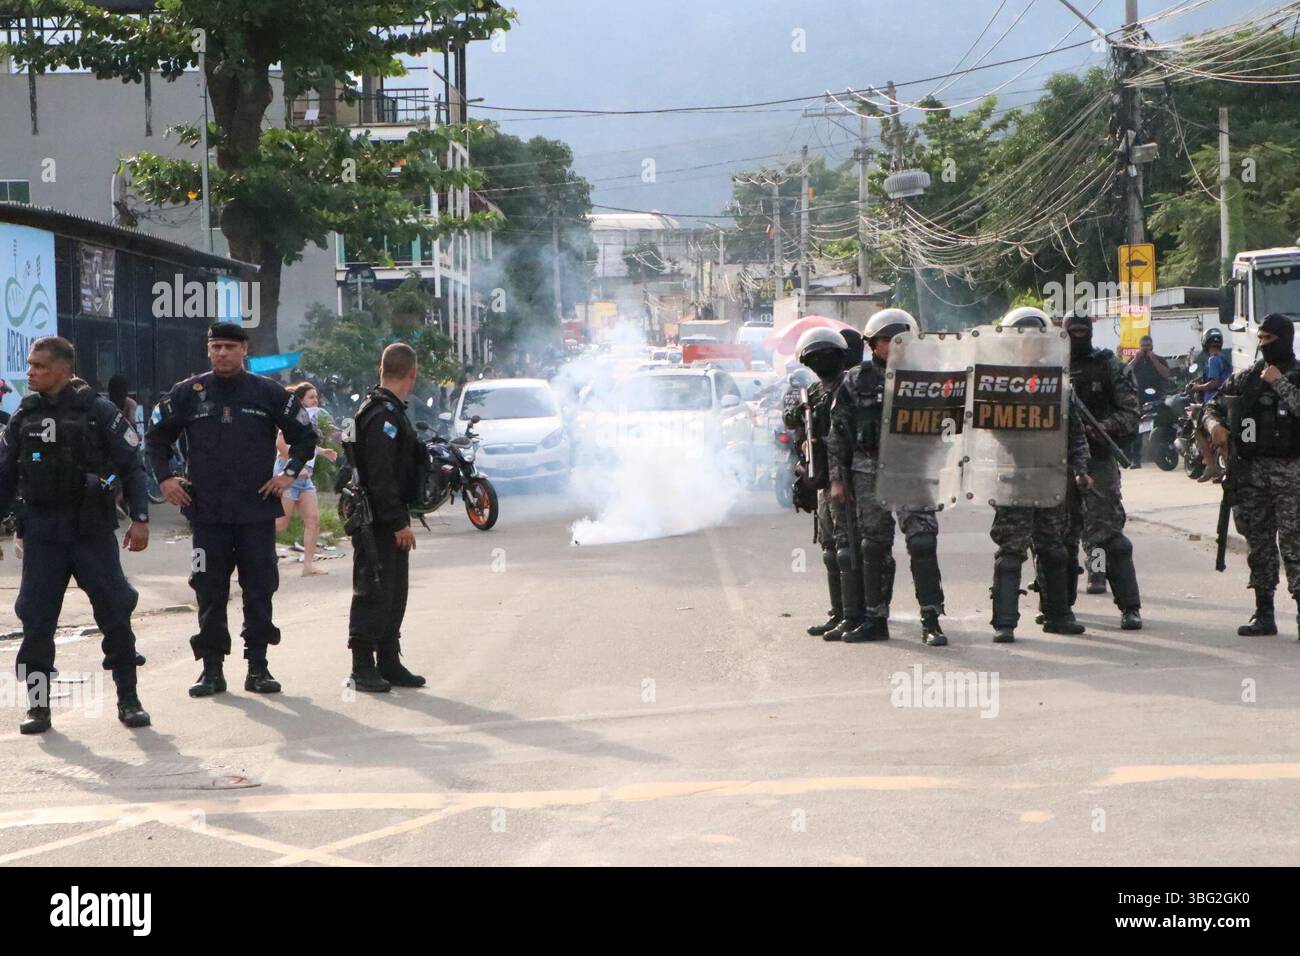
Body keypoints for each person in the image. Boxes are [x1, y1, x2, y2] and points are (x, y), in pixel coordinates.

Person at [146, 322, 317, 698]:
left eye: (229, 347)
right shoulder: (189, 393)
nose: (221, 353)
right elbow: (156, 438)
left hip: (255, 512)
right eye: (215, 347)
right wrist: (166, 479)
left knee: (258, 589)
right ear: (208, 350)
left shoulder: (268, 392)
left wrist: (288, 474)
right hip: (206, 513)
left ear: (244, 349)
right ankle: (211, 669)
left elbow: (306, 437)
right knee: (209, 589)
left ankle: (258, 666)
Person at [0, 337, 151, 734]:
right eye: (30, 365)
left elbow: (131, 466)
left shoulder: (98, 411)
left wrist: (139, 518)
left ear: (64, 370)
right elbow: (4, 475)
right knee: (35, 620)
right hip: (43, 533)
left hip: (91, 530)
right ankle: (38, 706)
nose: (30, 372)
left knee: (115, 612)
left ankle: (128, 698)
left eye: (39, 366)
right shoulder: (24, 414)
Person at [827, 308, 947, 645]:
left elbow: (951, 424)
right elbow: (838, 433)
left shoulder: (927, 377)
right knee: (873, 546)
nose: (894, 346)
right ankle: (875, 618)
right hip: (869, 471)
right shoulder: (855, 380)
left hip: (912, 470)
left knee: (923, 542)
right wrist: (837, 479)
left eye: (901, 339)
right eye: (887, 340)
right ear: (872, 344)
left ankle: (932, 619)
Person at [987, 309, 1093, 643]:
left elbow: (1075, 433)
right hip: (1014, 479)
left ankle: (1058, 615)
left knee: (1055, 549)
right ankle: (1004, 622)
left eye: (1035, 340)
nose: (1029, 346)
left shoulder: (1057, 382)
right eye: (1023, 340)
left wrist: (1081, 469)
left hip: (1049, 477)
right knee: (1010, 552)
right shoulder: (997, 383)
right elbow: (982, 432)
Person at [1203, 313, 1300, 640]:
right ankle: (1264, 612)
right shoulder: (1247, 378)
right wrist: (1214, 425)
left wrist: (1280, 382)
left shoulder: (1297, 376)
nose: (1263, 346)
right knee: (1258, 544)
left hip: (1291, 473)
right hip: (1252, 472)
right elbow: (1212, 406)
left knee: (1294, 544)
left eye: (1269, 340)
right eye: (1260, 339)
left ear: (1284, 340)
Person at [344, 343, 426, 692]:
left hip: (385, 516)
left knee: (393, 592)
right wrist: (396, 522)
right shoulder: (383, 416)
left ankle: (389, 661)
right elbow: (381, 475)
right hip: (377, 520)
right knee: (373, 590)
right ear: (412, 374)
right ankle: (362, 667)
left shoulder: (387, 409)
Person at [1062, 309, 1143, 629]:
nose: (1078, 336)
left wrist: (1103, 427)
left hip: (1098, 461)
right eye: (1073, 330)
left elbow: (1131, 414)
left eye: (1083, 330)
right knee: (1058, 540)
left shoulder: (1109, 366)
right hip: (1055, 462)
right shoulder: (1048, 366)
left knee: (1109, 536)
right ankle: (1059, 608)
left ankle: (1130, 607)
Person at [784, 326, 861, 641]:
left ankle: (855, 615)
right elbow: (792, 420)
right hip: (820, 477)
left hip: (846, 476)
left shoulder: (851, 387)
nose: (821, 360)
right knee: (829, 548)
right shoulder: (814, 393)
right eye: (815, 357)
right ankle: (839, 613)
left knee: (847, 548)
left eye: (825, 355)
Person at [274, 382, 339, 575]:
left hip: (305, 479)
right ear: (300, 400)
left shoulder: (310, 421)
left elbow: (304, 444)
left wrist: (321, 451)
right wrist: (295, 467)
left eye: (316, 397)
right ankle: (249, 561)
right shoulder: (292, 417)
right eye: (311, 397)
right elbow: (281, 444)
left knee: (313, 520)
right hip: (288, 476)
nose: (315, 400)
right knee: (279, 524)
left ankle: (308, 566)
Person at [1189, 328, 1232, 482]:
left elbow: (1214, 382)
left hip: (1213, 403)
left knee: (1199, 430)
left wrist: (1197, 388)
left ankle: (1211, 466)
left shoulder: (1213, 359)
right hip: (1227, 401)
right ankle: (1227, 470)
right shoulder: (1225, 358)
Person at [1125, 335, 1171, 466]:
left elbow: (1166, 374)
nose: (1145, 349)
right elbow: (1124, 372)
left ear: (1152, 346)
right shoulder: (1135, 360)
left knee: (1160, 426)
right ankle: (1136, 459)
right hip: (1139, 398)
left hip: (1156, 398)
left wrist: (1154, 359)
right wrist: (1135, 359)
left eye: (1148, 346)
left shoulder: (1159, 359)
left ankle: (1162, 454)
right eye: (1143, 346)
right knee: (1137, 429)